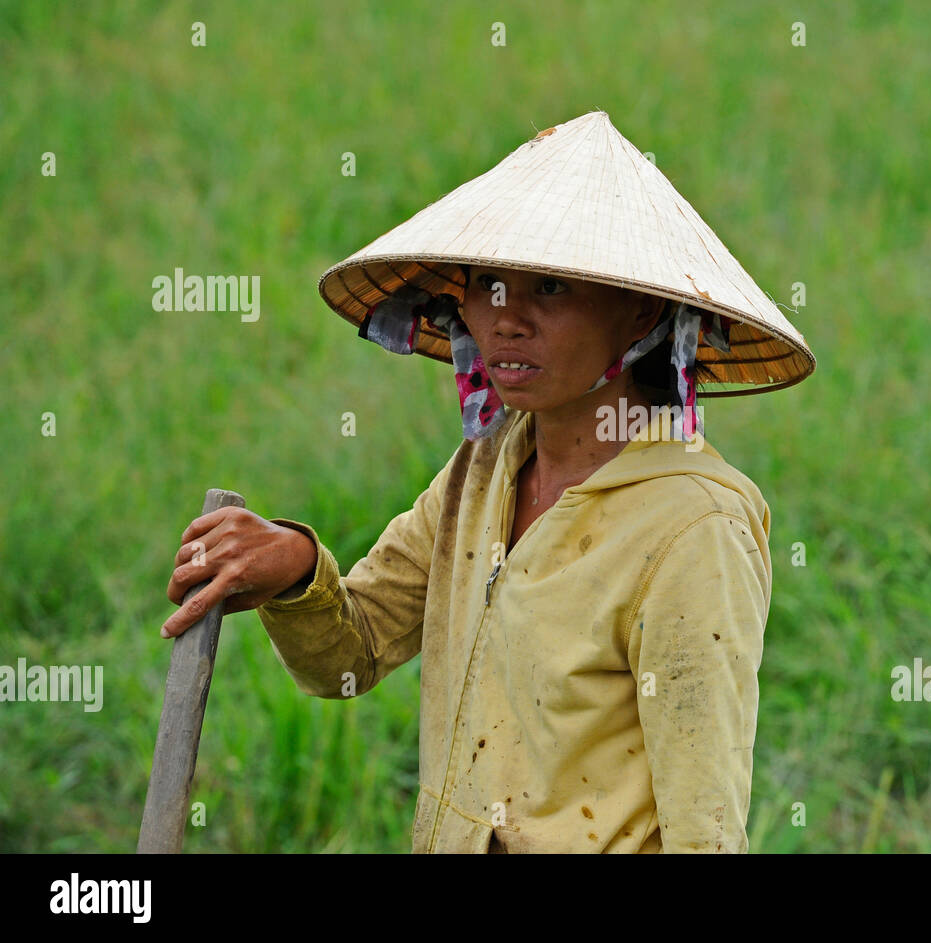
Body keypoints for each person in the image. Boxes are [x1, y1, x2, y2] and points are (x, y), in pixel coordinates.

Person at [161, 111, 815, 852]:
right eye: (489, 282)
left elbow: (706, 828)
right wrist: (295, 567)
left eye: (551, 287)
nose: (508, 318)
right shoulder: (486, 467)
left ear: (641, 309)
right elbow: (351, 652)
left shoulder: (694, 528)